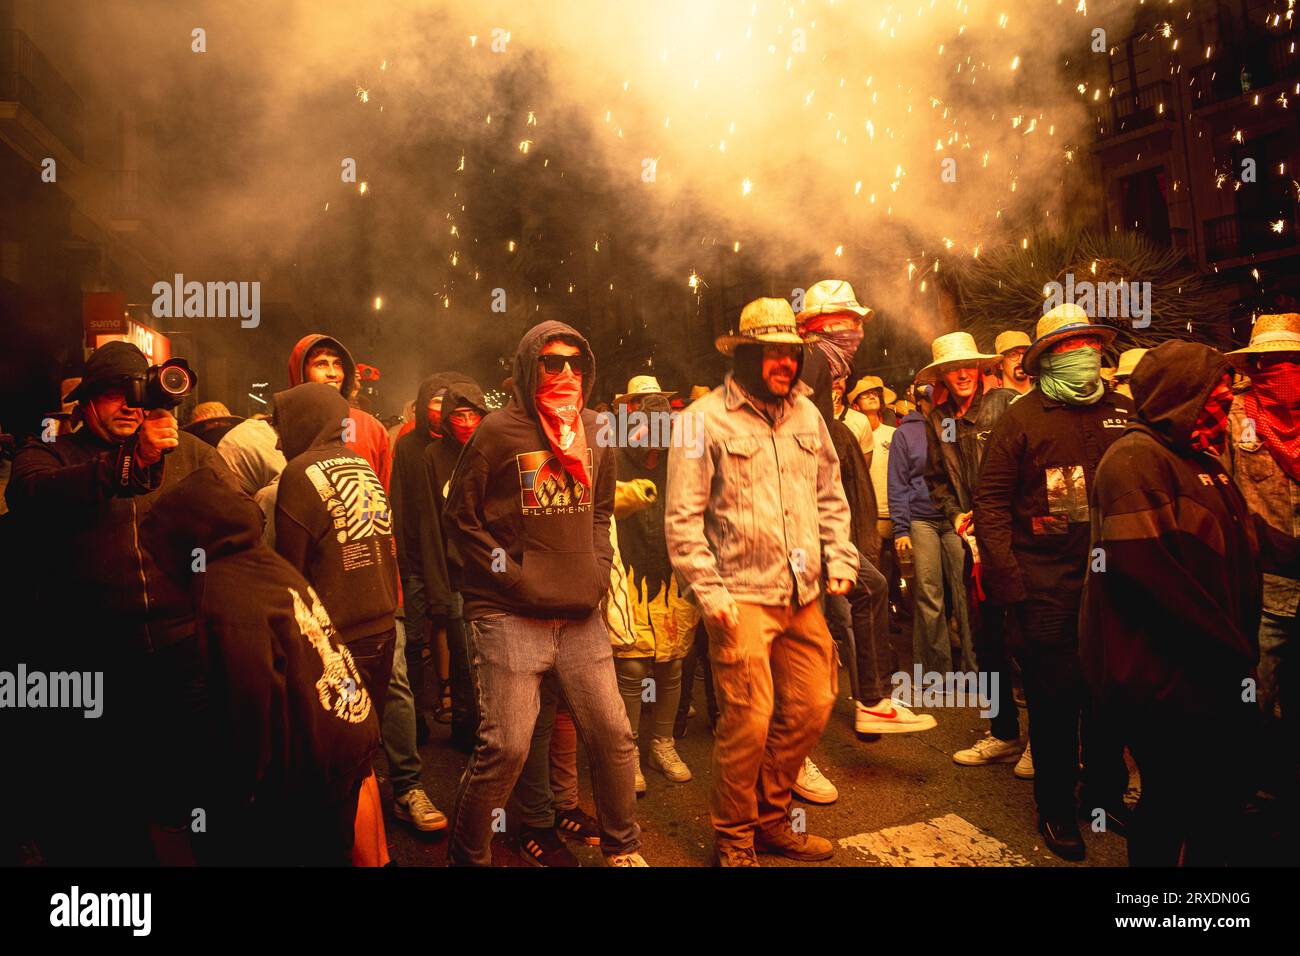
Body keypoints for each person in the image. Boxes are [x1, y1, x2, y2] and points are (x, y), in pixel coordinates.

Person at [4, 341, 238, 864]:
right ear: (85, 404)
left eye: (137, 393)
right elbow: (32, 498)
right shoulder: (47, 456)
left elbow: (243, 524)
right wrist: (130, 462)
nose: (129, 405)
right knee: (103, 804)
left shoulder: (190, 453)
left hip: (182, 653)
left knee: (193, 792)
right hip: (93, 663)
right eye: (114, 394)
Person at [441, 320, 645, 867]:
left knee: (613, 735)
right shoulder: (498, 431)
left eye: (574, 363)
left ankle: (623, 849)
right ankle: (468, 858)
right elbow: (460, 518)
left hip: (579, 614)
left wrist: (597, 569)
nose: (565, 373)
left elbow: (601, 511)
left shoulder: (597, 428)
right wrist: (513, 574)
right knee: (503, 748)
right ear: (529, 367)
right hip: (508, 615)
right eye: (552, 363)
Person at [665, 297, 859, 866]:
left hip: (803, 593)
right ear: (747, 355)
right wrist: (711, 595)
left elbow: (831, 496)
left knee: (814, 705)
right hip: (739, 596)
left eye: (792, 354)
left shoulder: (808, 416)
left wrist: (840, 561)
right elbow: (681, 519)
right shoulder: (701, 419)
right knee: (749, 720)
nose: (786, 365)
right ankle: (734, 839)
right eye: (773, 354)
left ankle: (772, 819)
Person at [139, 467, 380, 865]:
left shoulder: (222, 591)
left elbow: (251, 698)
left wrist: (240, 793)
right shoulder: (261, 559)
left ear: (184, 540)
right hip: (345, 733)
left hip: (312, 767)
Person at [1081, 340, 1262, 866]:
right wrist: (1231, 647)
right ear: (1180, 396)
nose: (1226, 409)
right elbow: (1148, 573)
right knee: (1171, 799)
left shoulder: (1199, 457)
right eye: (1215, 398)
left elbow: (1245, 534)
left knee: (1212, 800)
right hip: (1160, 674)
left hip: (1207, 667)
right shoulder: (1133, 459)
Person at [974, 305, 1133, 860]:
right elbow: (991, 504)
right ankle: (1057, 810)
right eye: (1070, 346)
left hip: (1115, 585)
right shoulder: (1021, 418)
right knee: (1055, 703)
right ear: (1046, 358)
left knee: (1109, 700)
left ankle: (1105, 796)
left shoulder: (1122, 409)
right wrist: (1010, 585)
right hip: (1046, 586)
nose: (1084, 353)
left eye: (1090, 343)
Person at [917, 332, 1023, 766]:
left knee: (1026, 638)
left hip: (1014, 537)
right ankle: (1004, 733)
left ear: (980, 368)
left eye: (969, 366)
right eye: (952, 368)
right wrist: (956, 512)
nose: (962, 373)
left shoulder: (1004, 404)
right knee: (986, 637)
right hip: (971, 541)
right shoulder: (938, 417)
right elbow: (937, 477)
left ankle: (1044, 741)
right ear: (942, 374)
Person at [604, 375, 699, 792]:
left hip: (673, 571)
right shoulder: (614, 452)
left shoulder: (681, 455)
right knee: (633, 663)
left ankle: (662, 744)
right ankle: (628, 754)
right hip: (630, 572)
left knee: (673, 663)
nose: (655, 450)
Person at [1223, 314, 1300, 778]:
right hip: (1264, 585)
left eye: (1293, 361)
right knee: (1253, 695)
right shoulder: (1234, 415)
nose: (1284, 372)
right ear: (1256, 364)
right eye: (1273, 363)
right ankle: (1246, 789)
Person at [422, 377, 488, 749]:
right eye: (458, 415)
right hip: (456, 573)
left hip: (491, 572)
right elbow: (430, 522)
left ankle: (491, 731)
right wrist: (438, 584)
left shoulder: (491, 448)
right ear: (447, 419)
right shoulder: (433, 457)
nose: (465, 422)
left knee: (491, 659)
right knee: (464, 661)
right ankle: (467, 731)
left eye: (472, 414)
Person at [889, 383, 970, 675]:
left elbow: (955, 468)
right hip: (921, 519)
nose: (932, 402)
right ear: (919, 401)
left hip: (953, 517)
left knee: (965, 592)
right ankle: (938, 671)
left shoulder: (947, 424)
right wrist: (901, 529)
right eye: (928, 398)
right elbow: (897, 483)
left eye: (936, 396)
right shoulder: (904, 434)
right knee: (929, 593)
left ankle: (976, 667)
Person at [853, 374, 913, 678]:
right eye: (865, 395)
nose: (871, 397)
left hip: (899, 512)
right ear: (856, 403)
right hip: (872, 515)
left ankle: (900, 613)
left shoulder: (894, 432)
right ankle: (883, 639)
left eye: (875, 393)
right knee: (878, 574)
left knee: (904, 573)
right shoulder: (854, 433)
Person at [995, 330, 1033, 396]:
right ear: (1000, 364)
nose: (1021, 361)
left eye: (1026, 354)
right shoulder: (995, 402)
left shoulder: (1046, 394)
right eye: (1013, 354)